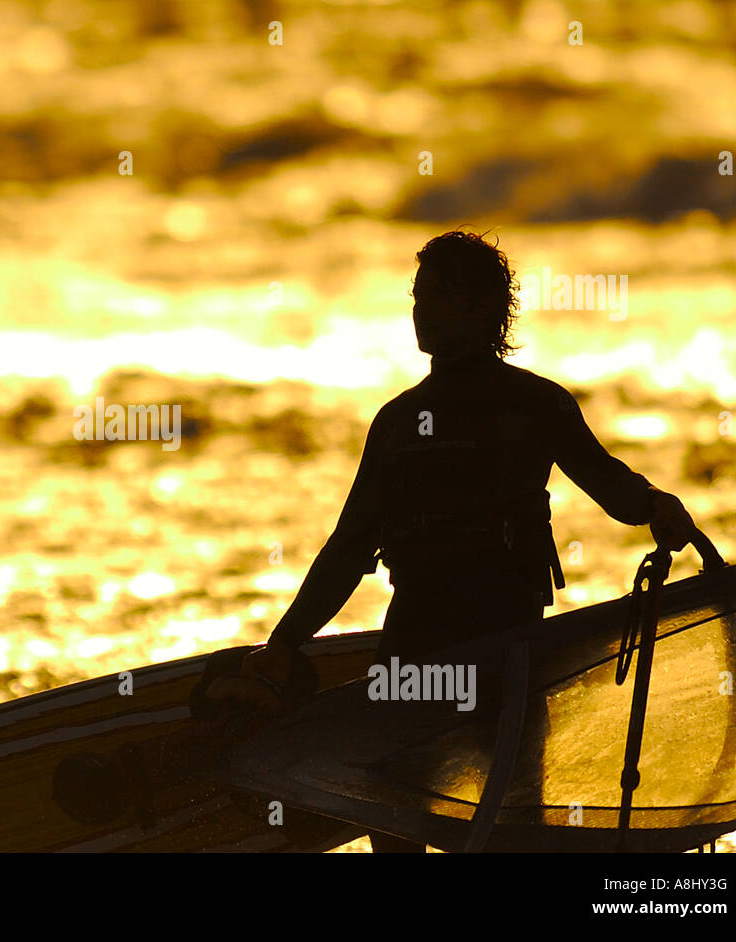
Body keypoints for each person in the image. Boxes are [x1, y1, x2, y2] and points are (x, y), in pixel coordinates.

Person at [239, 230, 698, 851]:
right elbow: (350, 545)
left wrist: (659, 509)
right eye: (417, 296)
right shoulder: (399, 422)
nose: (419, 310)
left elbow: (611, 488)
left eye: (437, 296)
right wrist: (285, 641)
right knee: (393, 815)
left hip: (505, 642)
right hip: (415, 640)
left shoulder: (534, 404)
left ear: (483, 308)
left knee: (509, 814)